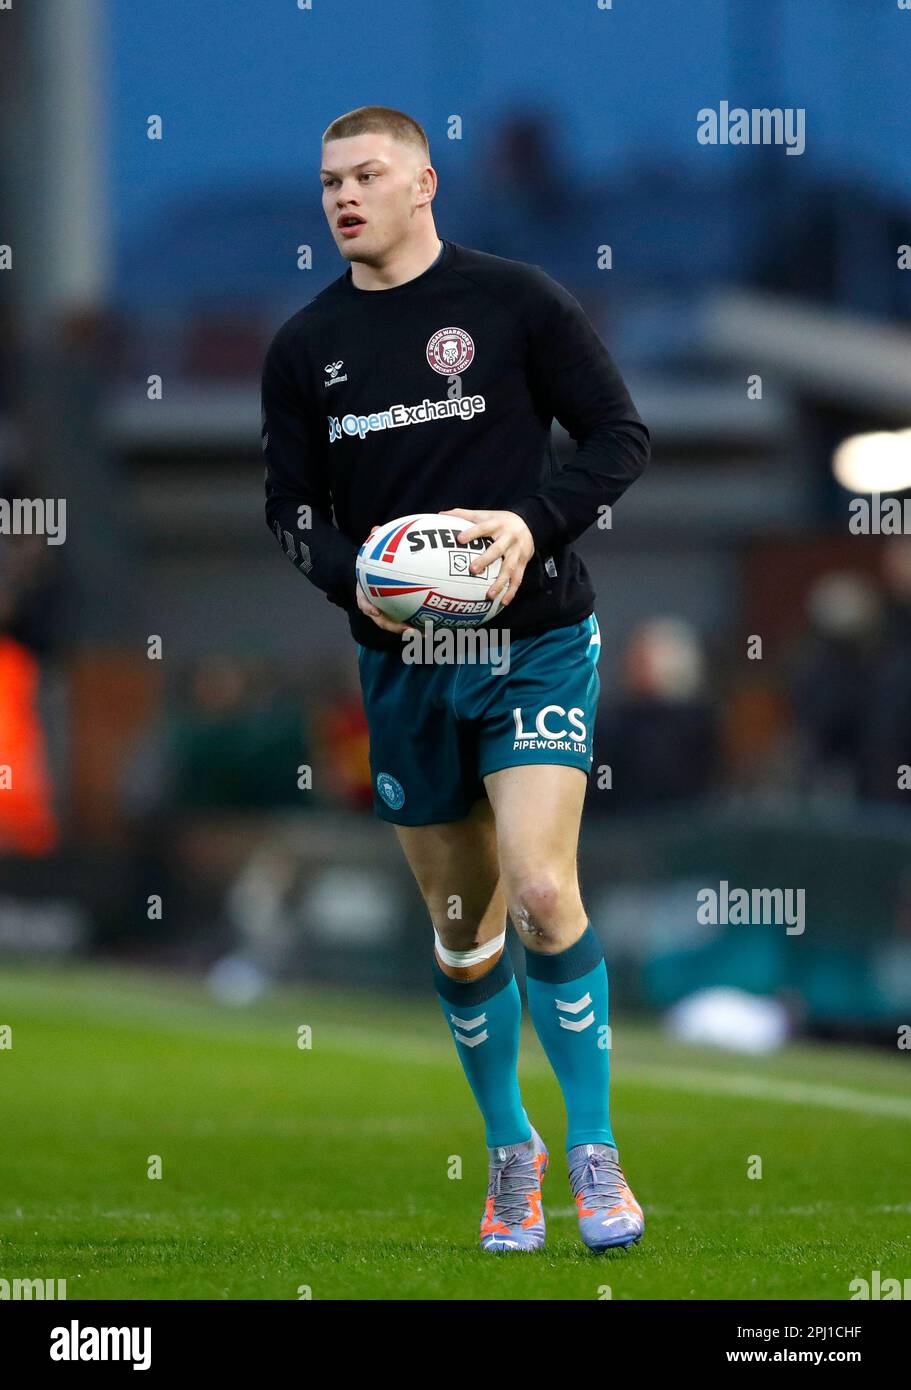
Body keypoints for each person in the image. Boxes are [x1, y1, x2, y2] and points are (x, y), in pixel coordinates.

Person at [261, 106, 650, 1254]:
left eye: (366, 174)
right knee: (460, 932)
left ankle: (594, 1152)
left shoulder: (515, 301)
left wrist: (533, 524)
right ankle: (508, 1152)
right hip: (405, 668)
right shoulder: (303, 348)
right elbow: (286, 513)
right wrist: (354, 581)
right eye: (329, 179)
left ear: (423, 182)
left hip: (529, 639)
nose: (342, 196)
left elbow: (618, 435)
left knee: (539, 889)